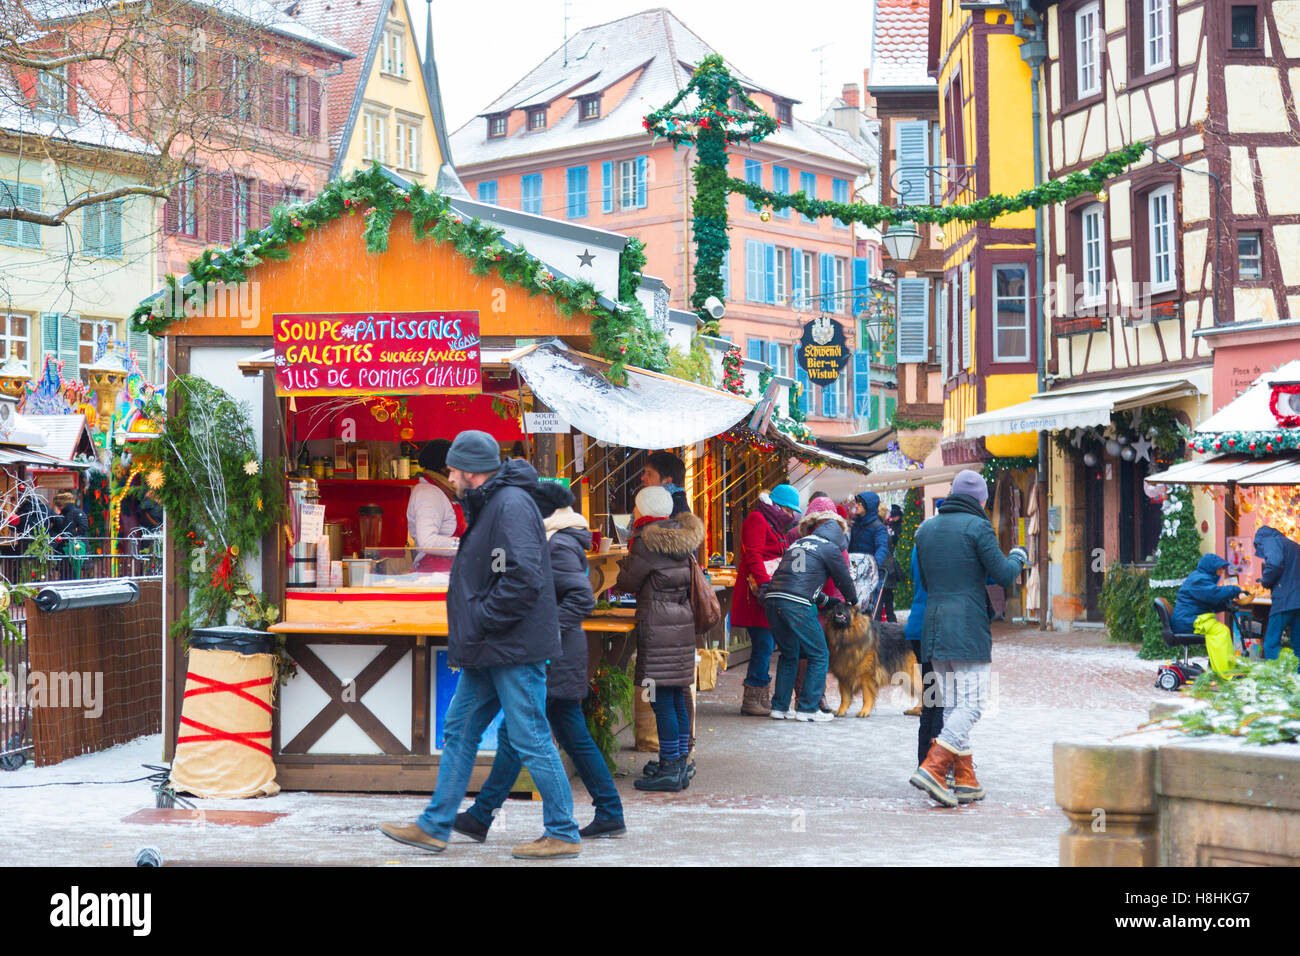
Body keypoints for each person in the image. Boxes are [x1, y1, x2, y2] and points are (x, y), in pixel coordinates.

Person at [381, 430, 581, 860]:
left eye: (453, 466)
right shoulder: (496, 502)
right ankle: (434, 826)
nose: (448, 473)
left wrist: (484, 618)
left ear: (469, 470)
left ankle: (563, 830)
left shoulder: (508, 504)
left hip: (510, 645)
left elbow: (521, 575)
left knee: (530, 737)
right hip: (493, 645)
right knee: (460, 730)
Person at [455, 482, 626, 841]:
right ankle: (482, 816)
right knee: (538, 734)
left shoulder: (559, 544)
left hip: (553, 656)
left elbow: (580, 599)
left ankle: (483, 816)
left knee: (525, 734)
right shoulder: (553, 540)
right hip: (555, 654)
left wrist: (542, 634)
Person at [909, 469, 1026, 807]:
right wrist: (1017, 557)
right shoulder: (978, 527)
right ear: (982, 500)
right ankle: (934, 767)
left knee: (951, 704)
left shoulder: (925, 530)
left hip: (933, 625)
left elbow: (928, 584)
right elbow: (1002, 574)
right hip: (967, 627)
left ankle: (965, 779)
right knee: (973, 704)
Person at [615, 485, 706, 792]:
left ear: (643, 509)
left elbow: (627, 582)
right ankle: (679, 761)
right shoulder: (681, 538)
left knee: (660, 697)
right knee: (676, 693)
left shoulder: (647, 541)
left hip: (658, 627)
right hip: (681, 625)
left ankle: (670, 766)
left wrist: (623, 565)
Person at [762, 497, 858, 723]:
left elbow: (796, 580)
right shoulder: (830, 548)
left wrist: (828, 602)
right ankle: (808, 708)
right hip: (796, 604)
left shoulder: (797, 544)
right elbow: (844, 581)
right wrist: (851, 601)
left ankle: (780, 707)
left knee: (789, 653)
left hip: (773, 599)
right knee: (819, 653)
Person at [733, 483, 801, 717]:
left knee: (766, 644)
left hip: (766, 592)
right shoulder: (758, 519)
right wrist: (764, 585)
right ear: (780, 506)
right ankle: (752, 699)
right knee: (764, 644)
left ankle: (760, 697)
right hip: (758, 594)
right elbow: (753, 554)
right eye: (790, 510)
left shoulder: (771, 522)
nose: (792, 516)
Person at [1171, 554, 1244, 677]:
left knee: (1223, 630)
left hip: (1189, 619)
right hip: (1187, 621)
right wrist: (1234, 589)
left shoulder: (1201, 579)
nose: (1221, 573)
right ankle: (1224, 672)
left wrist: (1226, 606)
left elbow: (1209, 601)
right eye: (1220, 569)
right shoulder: (1198, 580)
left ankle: (1224, 667)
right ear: (1211, 568)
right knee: (1220, 632)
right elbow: (1213, 594)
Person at [903, 547, 942, 761]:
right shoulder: (956, 539)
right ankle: (939, 764)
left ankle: (924, 761)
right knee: (944, 699)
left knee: (932, 697)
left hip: (918, 625)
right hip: (939, 628)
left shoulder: (921, 542)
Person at [405, 438, 463, 571]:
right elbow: (427, 541)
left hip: (450, 573)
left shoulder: (444, 490)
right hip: (434, 576)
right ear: (444, 469)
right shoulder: (428, 493)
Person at [1253, 525, 1300, 664]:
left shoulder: (1270, 540)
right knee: (1298, 644)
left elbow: (1274, 563)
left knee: (1270, 643)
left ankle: (1278, 677)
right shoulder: (1292, 545)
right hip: (1298, 601)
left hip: (1285, 600)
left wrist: (1265, 581)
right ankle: (1296, 680)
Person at [848, 491, 891, 610]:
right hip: (855, 573)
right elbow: (851, 549)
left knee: (868, 609)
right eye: (856, 502)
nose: (856, 505)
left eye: (860, 503)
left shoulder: (878, 527)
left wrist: (872, 565)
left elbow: (882, 548)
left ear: (868, 506)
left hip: (869, 575)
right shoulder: (856, 525)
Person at [641, 450, 689, 517]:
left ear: (668, 481)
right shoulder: (655, 504)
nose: (643, 478)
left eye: (649, 474)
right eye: (644, 472)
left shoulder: (671, 514)